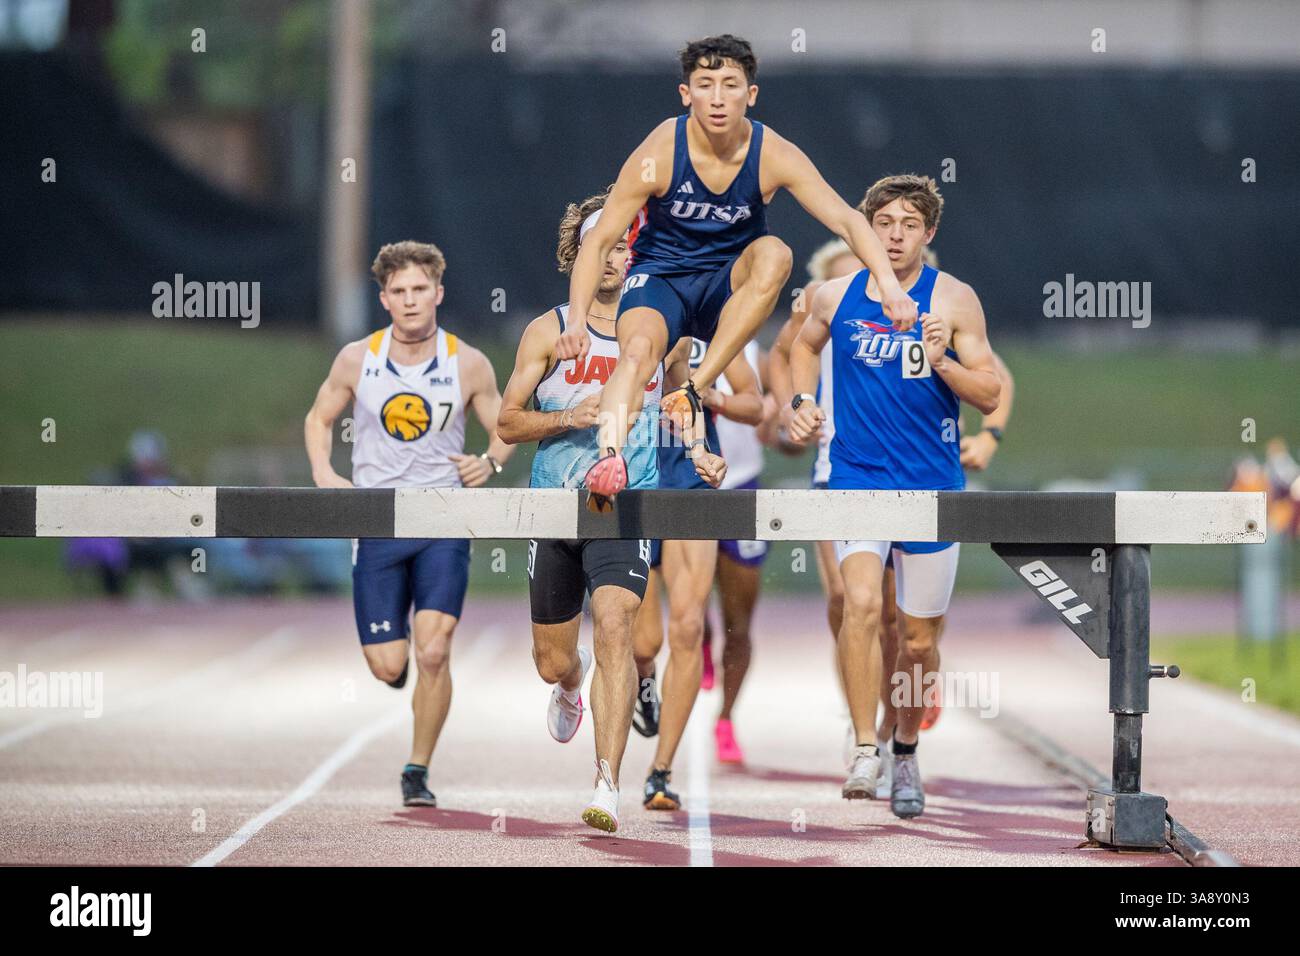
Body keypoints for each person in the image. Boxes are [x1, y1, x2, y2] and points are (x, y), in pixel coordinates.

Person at [560, 33, 917, 503]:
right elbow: (603, 237)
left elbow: (846, 219)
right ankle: (609, 457)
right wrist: (579, 318)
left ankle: (694, 387)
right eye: (705, 84)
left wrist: (889, 286)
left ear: (751, 95)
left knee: (776, 253)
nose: (717, 98)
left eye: (730, 84)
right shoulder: (660, 152)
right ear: (686, 94)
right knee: (638, 352)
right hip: (661, 278)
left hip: (726, 287)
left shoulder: (772, 154)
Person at [785, 175, 1001, 819]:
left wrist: (942, 361)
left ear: (928, 233)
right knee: (857, 606)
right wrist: (801, 402)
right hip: (855, 478)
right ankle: (862, 749)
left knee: (917, 642)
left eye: (910, 224)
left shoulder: (955, 299)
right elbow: (801, 346)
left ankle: (904, 747)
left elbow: (988, 393)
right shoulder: (835, 294)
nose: (896, 235)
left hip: (931, 486)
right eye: (885, 223)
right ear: (867, 228)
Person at [304, 240, 514, 808]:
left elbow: (507, 424)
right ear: (384, 299)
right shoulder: (357, 358)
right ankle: (395, 671)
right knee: (388, 665)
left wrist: (489, 461)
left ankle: (416, 769)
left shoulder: (467, 362)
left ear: (439, 293)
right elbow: (320, 417)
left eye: (420, 289)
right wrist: (324, 472)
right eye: (399, 291)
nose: (411, 300)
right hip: (377, 521)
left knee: (435, 651)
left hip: (444, 518)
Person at [495, 191, 665, 832]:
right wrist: (572, 414)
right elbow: (507, 423)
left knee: (617, 624)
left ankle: (607, 782)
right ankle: (572, 684)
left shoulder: (653, 329)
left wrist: (696, 438)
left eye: (628, 243)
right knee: (553, 660)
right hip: (554, 507)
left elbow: (683, 393)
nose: (619, 256)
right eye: (608, 245)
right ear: (581, 255)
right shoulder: (547, 332)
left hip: (624, 504)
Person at [700, 340, 770, 764]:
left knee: (739, 623)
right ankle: (701, 640)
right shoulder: (669, 328)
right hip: (687, 490)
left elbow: (771, 412)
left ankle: (726, 718)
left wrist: (789, 421)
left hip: (742, 488)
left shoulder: (752, 347)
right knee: (691, 615)